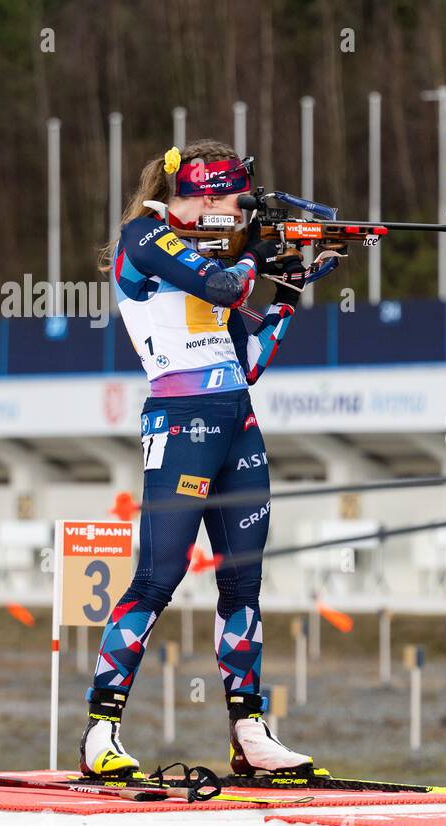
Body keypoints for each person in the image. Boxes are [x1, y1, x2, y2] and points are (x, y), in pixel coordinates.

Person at [82, 140, 330, 778]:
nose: (231, 209)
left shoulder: (206, 258)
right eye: (223, 197)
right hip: (181, 420)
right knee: (157, 578)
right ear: (192, 193)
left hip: (236, 419)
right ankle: (100, 732)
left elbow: (247, 362)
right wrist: (257, 254)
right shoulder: (146, 236)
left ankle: (249, 734)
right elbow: (223, 282)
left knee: (243, 584)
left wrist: (289, 288)